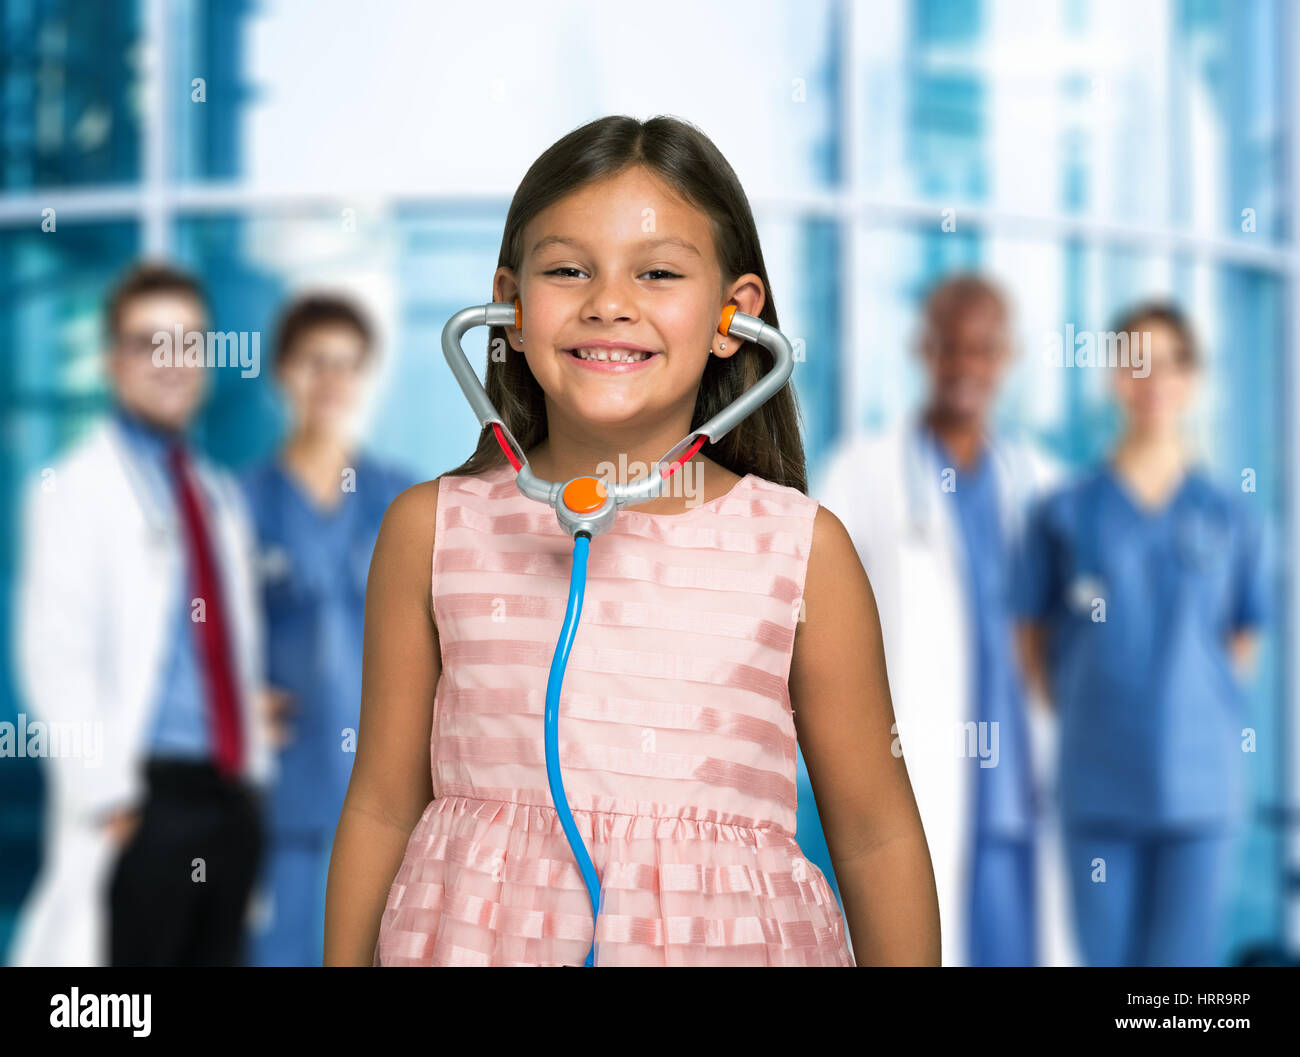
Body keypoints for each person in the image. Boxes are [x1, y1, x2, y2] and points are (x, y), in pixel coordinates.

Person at [324, 114, 941, 966]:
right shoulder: (431, 530)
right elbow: (383, 806)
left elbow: (875, 834)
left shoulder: (803, 551)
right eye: (568, 269)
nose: (608, 303)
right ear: (508, 304)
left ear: (735, 315)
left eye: (657, 273)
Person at [10, 262, 272, 967]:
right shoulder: (72, 491)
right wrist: (111, 802)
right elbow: (52, 657)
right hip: (141, 801)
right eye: (149, 343)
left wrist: (252, 775)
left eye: (189, 343)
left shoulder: (216, 495)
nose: (172, 363)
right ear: (112, 361)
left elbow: (228, 650)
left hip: (228, 802)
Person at [814, 274, 1072, 967]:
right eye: (951, 347)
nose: (966, 365)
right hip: (916, 770)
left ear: (1006, 356)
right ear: (924, 351)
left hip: (1018, 783)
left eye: (983, 349)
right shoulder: (863, 476)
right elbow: (814, 633)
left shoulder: (1043, 484)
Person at [1012, 301, 1271, 966]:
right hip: (1099, 784)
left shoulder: (1229, 514)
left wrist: (1188, 708)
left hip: (1199, 789)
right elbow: (1031, 639)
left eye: (1170, 362)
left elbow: (1242, 640)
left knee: (1180, 987)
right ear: (1114, 379)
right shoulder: (1067, 511)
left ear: (1192, 379)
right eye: (1136, 362)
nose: (1152, 378)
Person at [241, 294, 417, 966]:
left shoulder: (398, 498)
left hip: (385, 778)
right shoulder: (244, 502)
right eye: (316, 363)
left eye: (347, 365)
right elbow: (193, 635)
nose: (332, 381)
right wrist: (228, 696)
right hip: (281, 792)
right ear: (285, 372)